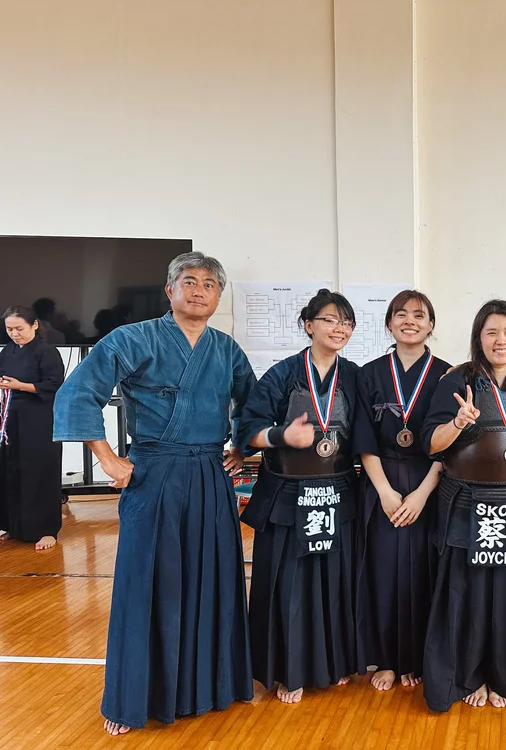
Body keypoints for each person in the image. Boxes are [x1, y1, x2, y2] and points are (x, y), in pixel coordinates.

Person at [53, 252, 255, 736]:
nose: (199, 290)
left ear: (218, 296)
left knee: (213, 579)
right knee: (146, 583)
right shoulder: (133, 338)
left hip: (209, 474)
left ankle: (210, 687)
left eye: (209, 284)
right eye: (189, 281)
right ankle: (132, 697)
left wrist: (241, 447)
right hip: (154, 472)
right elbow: (77, 393)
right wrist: (106, 457)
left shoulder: (226, 350)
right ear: (170, 290)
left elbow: (254, 405)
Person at [420, 300, 506, 712]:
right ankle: (468, 675)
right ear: (479, 337)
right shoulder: (458, 380)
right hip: (468, 504)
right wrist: (458, 423)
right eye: (492, 332)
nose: (501, 340)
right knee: (468, 596)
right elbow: (430, 443)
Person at [237, 289, 360, 704]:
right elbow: (248, 431)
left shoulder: (355, 376)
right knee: (289, 584)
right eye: (329, 319)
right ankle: (289, 670)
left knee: (335, 582)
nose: (338, 328)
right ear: (309, 325)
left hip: (338, 493)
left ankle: (335, 663)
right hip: (289, 495)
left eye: (346, 322)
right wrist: (281, 435)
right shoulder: (282, 374)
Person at [354, 291, 451, 691]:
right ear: (389, 324)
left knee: (425, 572)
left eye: (419, 315)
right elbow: (363, 438)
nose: (409, 321)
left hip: (430, 482)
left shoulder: (448, 374)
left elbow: (451, 441)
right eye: (401, 314)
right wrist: (385, 493)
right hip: (381, 483)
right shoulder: (369, 373)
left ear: (431, 325)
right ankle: (389, 661)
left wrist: (423, 492)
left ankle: (420, 658)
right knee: (383, 572)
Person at [0, 306, 65, 550]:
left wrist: (20, 386)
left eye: (19, 328)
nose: (14, 334)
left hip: (39, 417)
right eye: (9, 329)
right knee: (11, 467)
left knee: (39, 470)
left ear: (34, 325)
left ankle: (47, 530)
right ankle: (12, 524)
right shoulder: (8, 350)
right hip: (11, 417)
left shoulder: (47, 352)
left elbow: (54, 385)